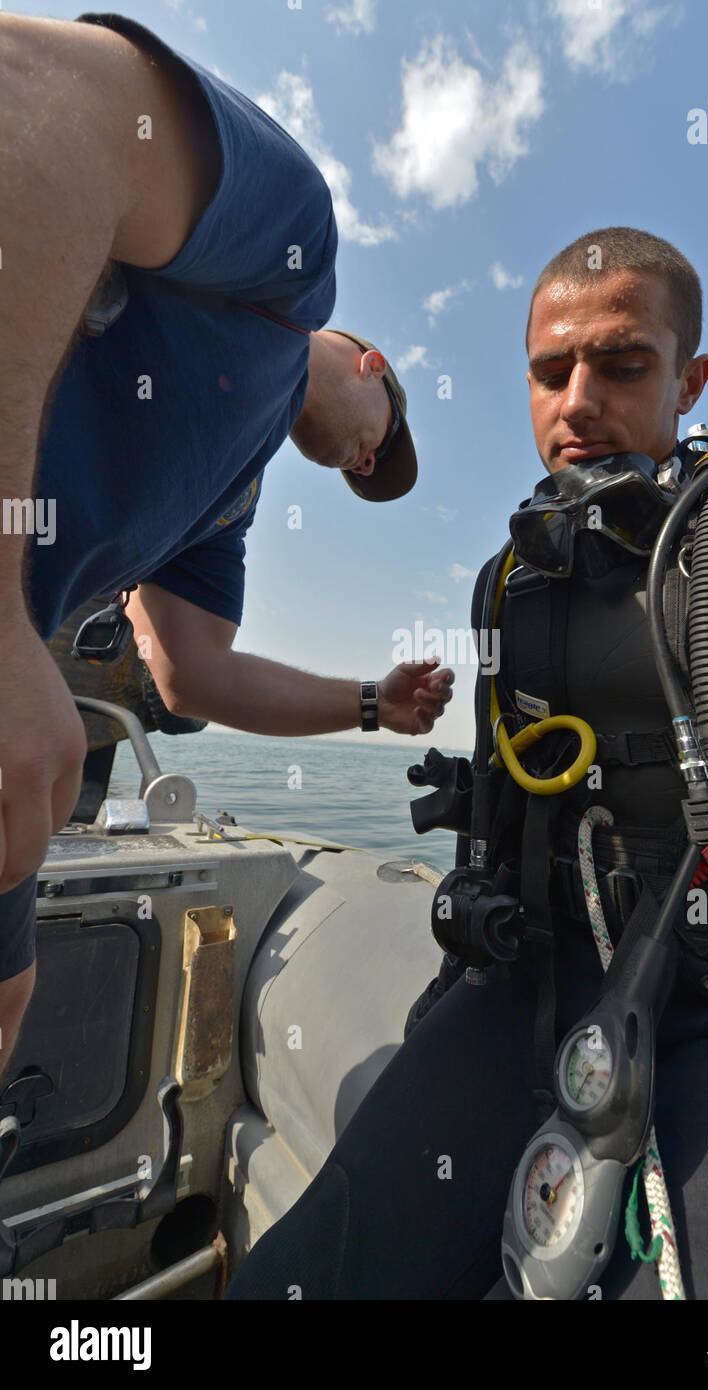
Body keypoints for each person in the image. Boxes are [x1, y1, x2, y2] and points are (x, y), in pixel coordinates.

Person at [226, 226, 708, 1301]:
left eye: (621, 364)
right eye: (550, 370)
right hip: (535, 994)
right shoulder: (513, 583)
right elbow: (501, 815)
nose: (576, 398)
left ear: (691, 381)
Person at [0, 12, 452, 1085]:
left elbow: (191, 672)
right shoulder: (295, 260)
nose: (356, 466)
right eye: (375, 449)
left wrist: (368, 705)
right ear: (373, 367)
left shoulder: (224, 502)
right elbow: (37, 96)